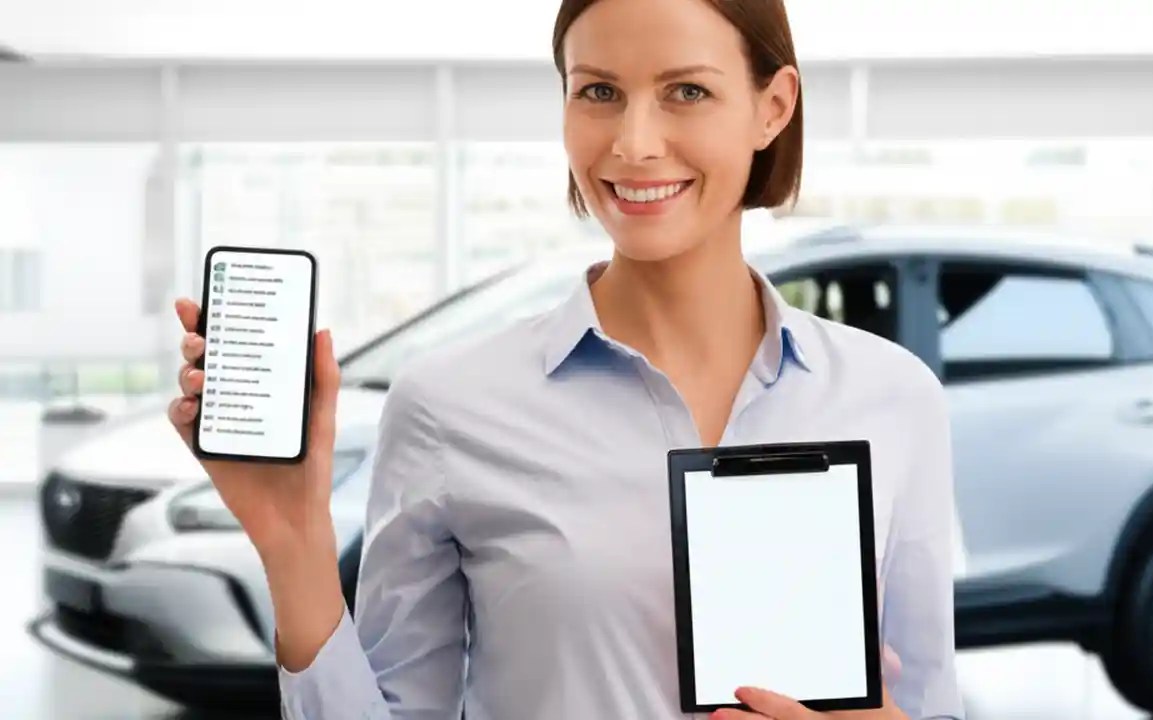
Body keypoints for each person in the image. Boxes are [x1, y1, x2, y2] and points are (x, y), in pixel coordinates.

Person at [167, 0, 964, 718]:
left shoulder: (893, 398)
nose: (633, 142)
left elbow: (929, 705)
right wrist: (294, 543)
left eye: (687, 91)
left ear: (773, 107)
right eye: (599, 91)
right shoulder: (450, 407)